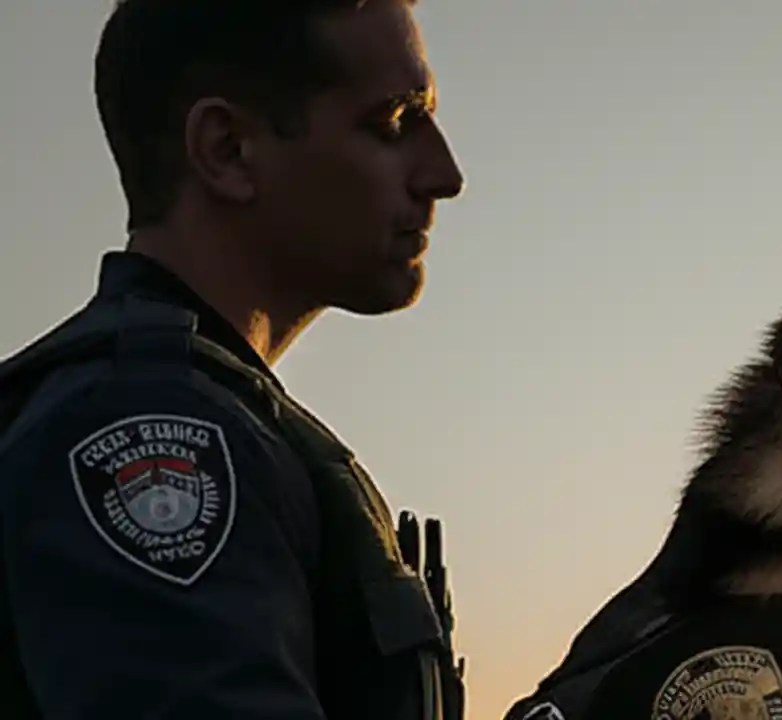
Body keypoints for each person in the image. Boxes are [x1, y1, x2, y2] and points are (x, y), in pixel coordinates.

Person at [0, 0, 466, 718]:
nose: (443, 174)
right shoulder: (145, 425)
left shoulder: (206, 413)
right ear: (227, 149)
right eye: (394, 123)